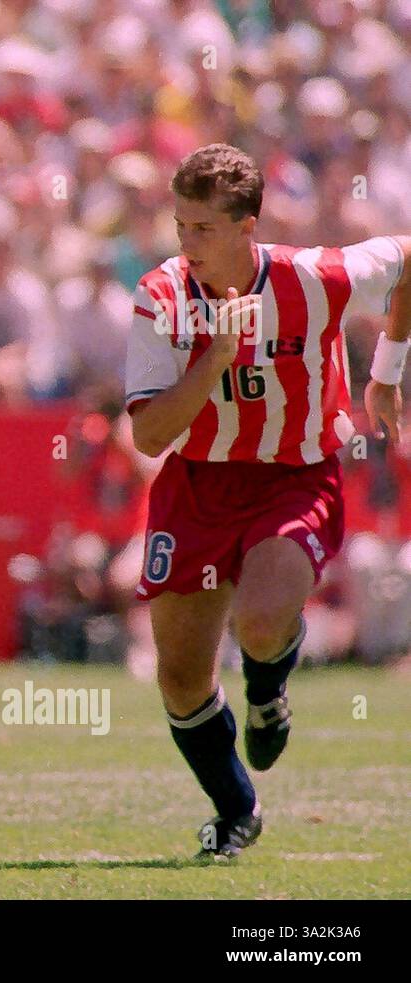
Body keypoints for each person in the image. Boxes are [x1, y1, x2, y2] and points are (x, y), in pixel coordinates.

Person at [124, 143, 410, 858]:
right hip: (197, 482)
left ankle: (267, 688)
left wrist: (387, 372)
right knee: (182, 677)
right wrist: (215, 359)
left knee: (258, 621)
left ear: (248, 226)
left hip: (294, 474)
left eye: (203, 230)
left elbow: (407, 259)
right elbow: (151, 434)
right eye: (180, 226)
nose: (186, 245)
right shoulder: (160, 297)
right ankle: (236, 809)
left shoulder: (313, 278)